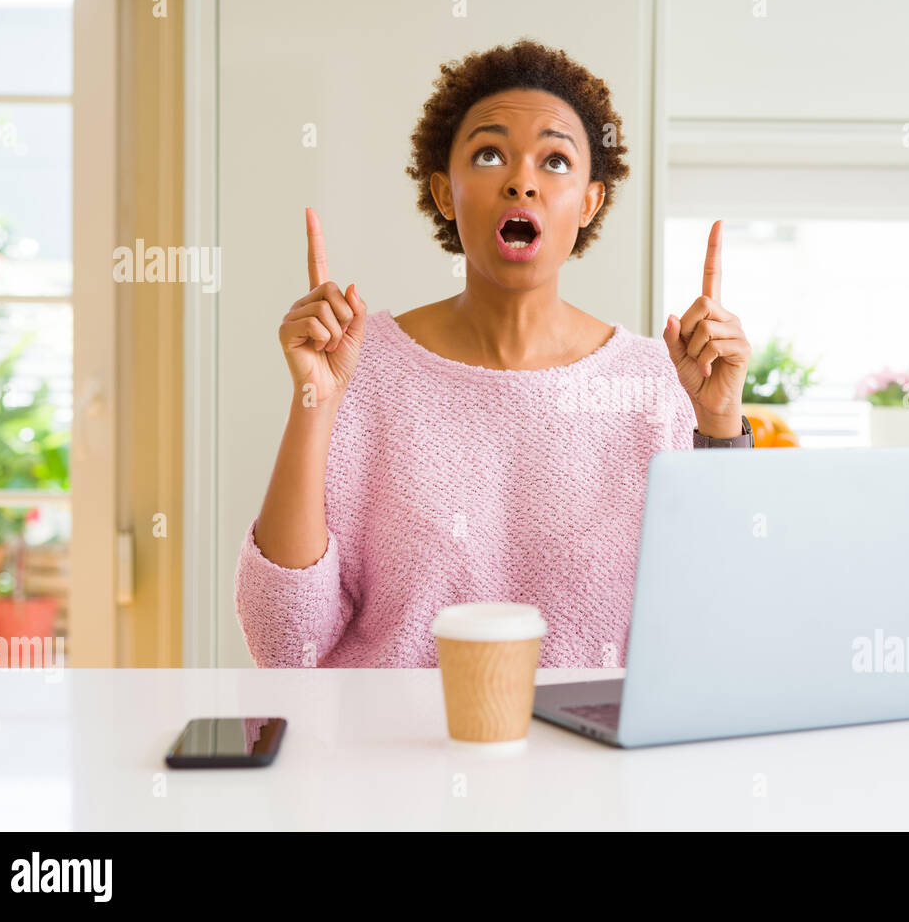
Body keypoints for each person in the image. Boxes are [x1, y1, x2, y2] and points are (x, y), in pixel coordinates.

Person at [234, 38, 753, 668]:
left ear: (589, 202)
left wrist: (721, 422)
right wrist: (314, 398)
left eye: (555, 161)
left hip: (593, 763)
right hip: (389, 758)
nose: (521, 182)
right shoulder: (359, 369)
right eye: (488, 154)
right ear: (446, 194)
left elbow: (724, 623)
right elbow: (286, 645)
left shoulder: (659, 381)